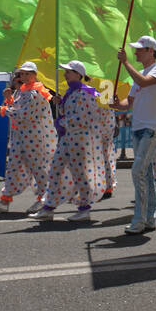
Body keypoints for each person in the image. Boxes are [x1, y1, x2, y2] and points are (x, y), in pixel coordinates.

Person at [110, 35, 156, 235]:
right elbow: (130, 102)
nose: (135, 52)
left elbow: (143, 82)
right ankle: (149, 218)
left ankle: (139, 219)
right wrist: (118, 105)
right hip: (137, 128)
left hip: (152, 128)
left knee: (137, 171)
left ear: (151, 51)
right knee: (145, 173)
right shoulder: (140, 73)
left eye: (139, 49)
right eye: (135, 49)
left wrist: (125, 62)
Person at [33, 61, 106, 221]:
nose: (65, 74)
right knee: (55, 170)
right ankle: (49, 206)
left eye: (68, 71)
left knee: (80, 174)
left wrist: (62, 122)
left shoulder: (86, 93)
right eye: (65, 71)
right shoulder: (71, 93)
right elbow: (69, 114)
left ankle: (84, 208)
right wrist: (60, 106)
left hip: (80, 141)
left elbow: (84, 118)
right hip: (67, 139)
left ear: (78, 74)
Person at [0, 61, 56, 213]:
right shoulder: (23, 91)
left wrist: (6, 110)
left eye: (27, 73)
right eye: (22, 73)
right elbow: (17, 107)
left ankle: (44, 200)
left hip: (34, 139)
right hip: (20, 138)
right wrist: (10, 100)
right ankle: (5, 200)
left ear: (34, 75)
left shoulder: (36, 92)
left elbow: (25, 114)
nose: (23, 76)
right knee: (13, 167)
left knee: (38, 170)